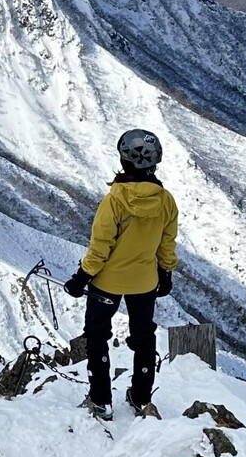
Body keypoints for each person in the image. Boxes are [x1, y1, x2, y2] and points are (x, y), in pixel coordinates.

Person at [63, 129, 178, 419]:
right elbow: (166, 242)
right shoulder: (166, 201)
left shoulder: (113, 202)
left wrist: (81, 278)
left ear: (123, 160)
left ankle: (100, 399)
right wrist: (165, 272)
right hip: (144, 281)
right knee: (144, 338)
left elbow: (100, 248)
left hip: (106, 282)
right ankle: (141, 398)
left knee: (98, 336)